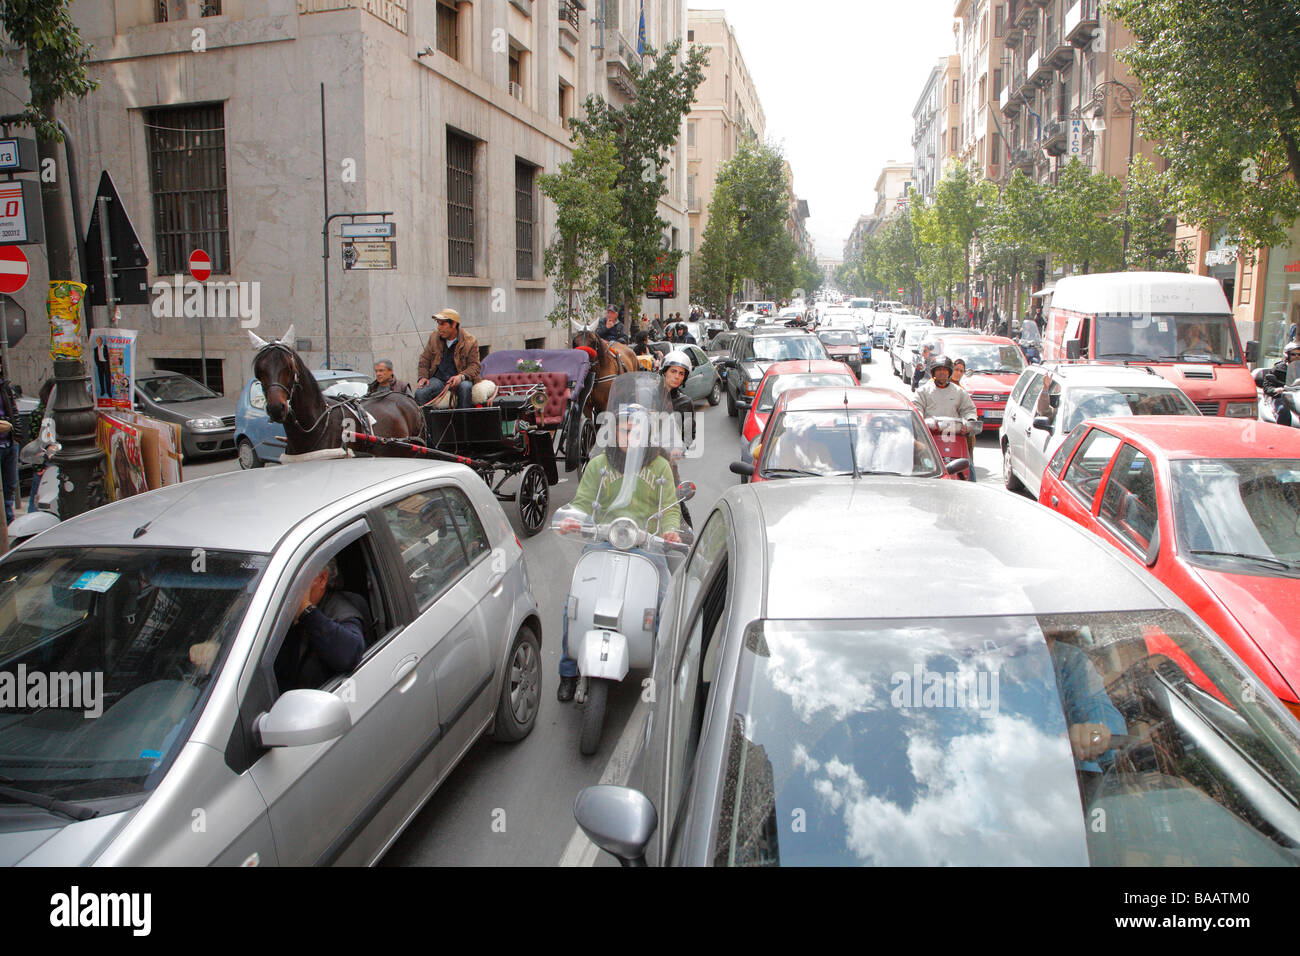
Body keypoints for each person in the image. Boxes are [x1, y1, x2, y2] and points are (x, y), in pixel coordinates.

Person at [555, 402, 682, 701]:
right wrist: (573, 518)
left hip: (647, 545)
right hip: (603, 540)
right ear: (614, 432)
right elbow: (583, 502)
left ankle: (663, 670)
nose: (631, 436)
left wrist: (670, 530)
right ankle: (568, 671)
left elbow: (670, 510)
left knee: (664, 601)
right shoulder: (599, 464)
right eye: (625, 430)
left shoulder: (660, 465)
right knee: (575, 605)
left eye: (637, 430)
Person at [914, 355, 980, 481]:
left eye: (945, 370)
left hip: (955, 437)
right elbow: (917, 409)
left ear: (949, 372)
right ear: (933, 372)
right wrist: (921, 425)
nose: (942, 373)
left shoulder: (959, 392)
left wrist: (970, 421)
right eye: (939, 370)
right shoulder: (923, 391)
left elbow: (969, 410)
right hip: (930, 438)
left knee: (968, 468)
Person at [416, 307, 481, 407]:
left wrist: (461, 376)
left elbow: (475, 366)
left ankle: (464, 422)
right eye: (438, 323)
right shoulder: (434, 337)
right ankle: (427, 423)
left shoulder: (470, 341)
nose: (439, 327)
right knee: (420, 393)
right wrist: (423, 377)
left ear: (454, 324)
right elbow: (424, 359)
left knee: (465, 388)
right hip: (439, 379)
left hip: (461, 380)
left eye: (442, 324)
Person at [1261, 340, 1300, 427]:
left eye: (1299, 354)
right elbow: (1267, 386)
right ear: (1287, 355)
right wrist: (1276, 390)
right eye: (1293, 354)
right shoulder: (1278, 368)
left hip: (1298, 397)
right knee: (1283, 411)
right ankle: (1282, 435)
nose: (1297, 356)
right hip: (1282, 397)